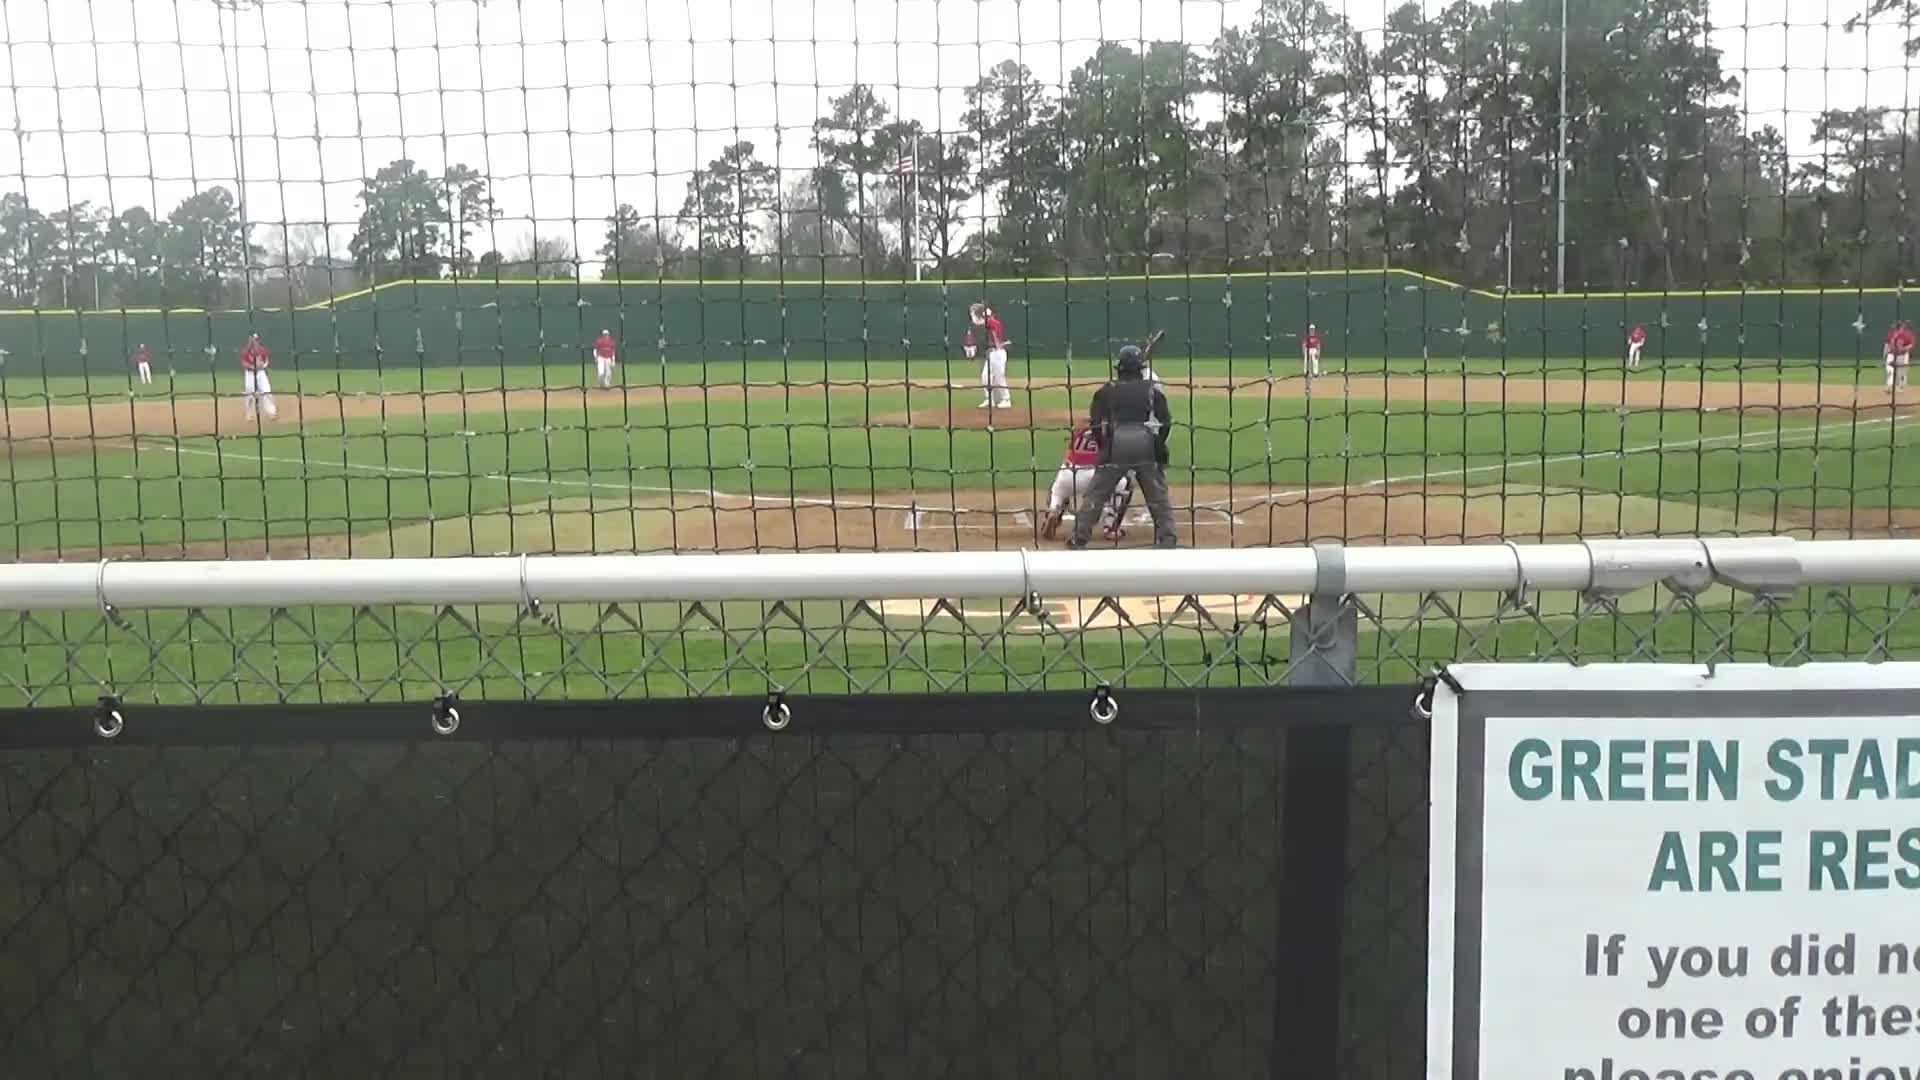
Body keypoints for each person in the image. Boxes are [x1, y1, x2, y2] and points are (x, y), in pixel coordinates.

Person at [1067, 344, 1178, 550]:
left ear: (1120, 368)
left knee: (1097, 493)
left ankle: (1079, 538)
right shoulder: (1152, 391)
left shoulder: (1107, 390)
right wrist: (1157, 445)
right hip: (1145, 441)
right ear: (1140, 368)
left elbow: (1097, 423)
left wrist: (1105, 447)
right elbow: (1165, 422)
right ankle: (1168, 538)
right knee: (1157, 495)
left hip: (1117, 442)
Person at [1040, 423, 1131, 542]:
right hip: (1093, 475)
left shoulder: (1080, 427)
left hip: (1068, 472)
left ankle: (1054, 510)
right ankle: (1110, 527)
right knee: (1124, 483)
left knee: (1056, 491)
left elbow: (1068, 453)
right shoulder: (1108, 430)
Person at [972, 302, 1012, 409]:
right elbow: (981, 322)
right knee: (985, 377)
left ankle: (1006, 400)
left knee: (999, 377)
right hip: (992, 354)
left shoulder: (992, 323)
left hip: (997, 353)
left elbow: (997, 339)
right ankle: (989, 400)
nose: (972, 315)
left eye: (973, 312)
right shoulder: (988, 321)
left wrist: (1000, 344)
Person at [239, 333, 277, 420]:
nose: (253, 341)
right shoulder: (245, 351)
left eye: (255, 339)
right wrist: (253, 367)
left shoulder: (262, 350)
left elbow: (266, 361)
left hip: (260, 373)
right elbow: (244, 363)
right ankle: (250, 414)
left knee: (266, 391)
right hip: (250, 374)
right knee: (250, 393)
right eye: (252, 339)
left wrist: (262, 365)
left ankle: (271, 412)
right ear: (249, 340)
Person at [1887, 321, 1915, 391]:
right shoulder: (1891, 333)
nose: (1896, 328)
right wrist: (1885, 354)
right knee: (1890, 370)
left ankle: (1901, 386)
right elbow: (1887, 344)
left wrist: (1903, 348)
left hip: (1903, 355)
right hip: (1892, 354)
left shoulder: (1908, 334)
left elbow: (1911, 344)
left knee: (1902, 372)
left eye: (1898, 326)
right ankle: (1890, 386)